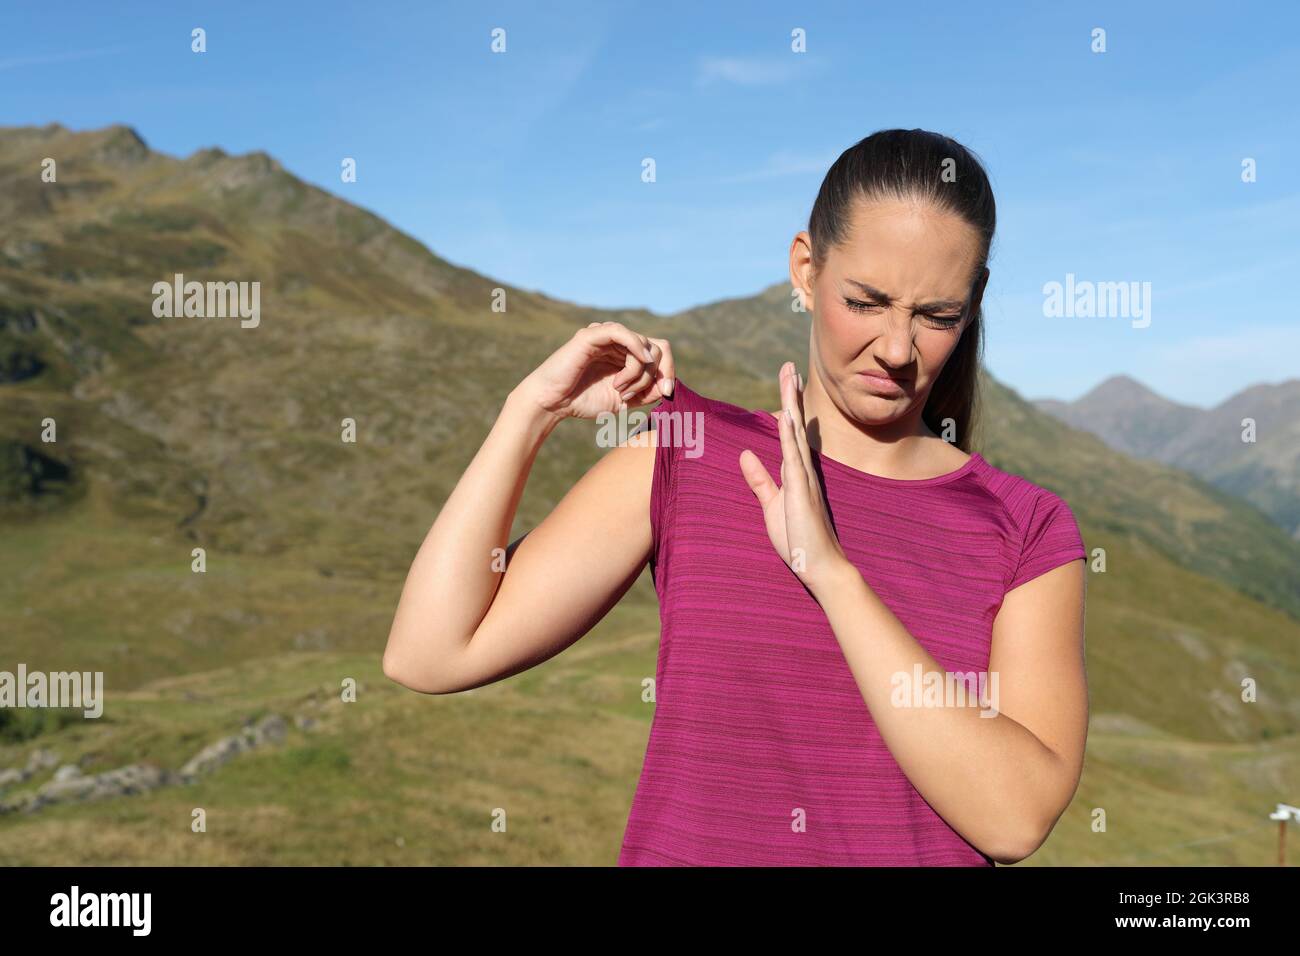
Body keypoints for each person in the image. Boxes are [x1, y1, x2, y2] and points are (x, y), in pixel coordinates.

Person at [383, 129, 1088, 866]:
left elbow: (1015, 819)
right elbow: (430, 654)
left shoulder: (1025, 526)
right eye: (867, 301)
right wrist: (532, 410)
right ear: (806, 271)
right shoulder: (691, 453)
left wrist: (834, 575)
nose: (897, 348)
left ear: (971, 307)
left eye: (936, 315)